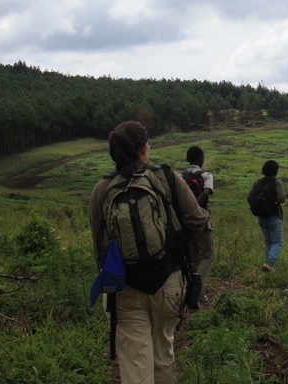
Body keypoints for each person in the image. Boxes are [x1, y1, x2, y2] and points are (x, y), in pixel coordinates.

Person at [89, 121, 212, 384]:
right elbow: (197, 221)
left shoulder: (101, 189)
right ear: (145, 148)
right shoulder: (167, 178)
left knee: (135, 363)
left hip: (124, 288)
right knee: (163, 354)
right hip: (167, 282)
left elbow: (99, 245)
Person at [181, 146, 214, 286]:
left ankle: (193, 292)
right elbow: (207, 192)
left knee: (193, 258)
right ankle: (196, 288)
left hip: (184, 221)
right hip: (201, 219)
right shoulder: (206, 175)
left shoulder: (180, 177)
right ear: (201, 159)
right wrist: (194, 207)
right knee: (207, 255)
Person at [247, 160, 287, 272]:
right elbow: (281, 199)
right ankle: (269, 263)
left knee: (268, 241)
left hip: (261, 217)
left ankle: (269, 267)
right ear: (276, 171)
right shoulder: (276, 183)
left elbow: (249, 198)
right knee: (277, 241)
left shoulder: (258, 182)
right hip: (273, 215)